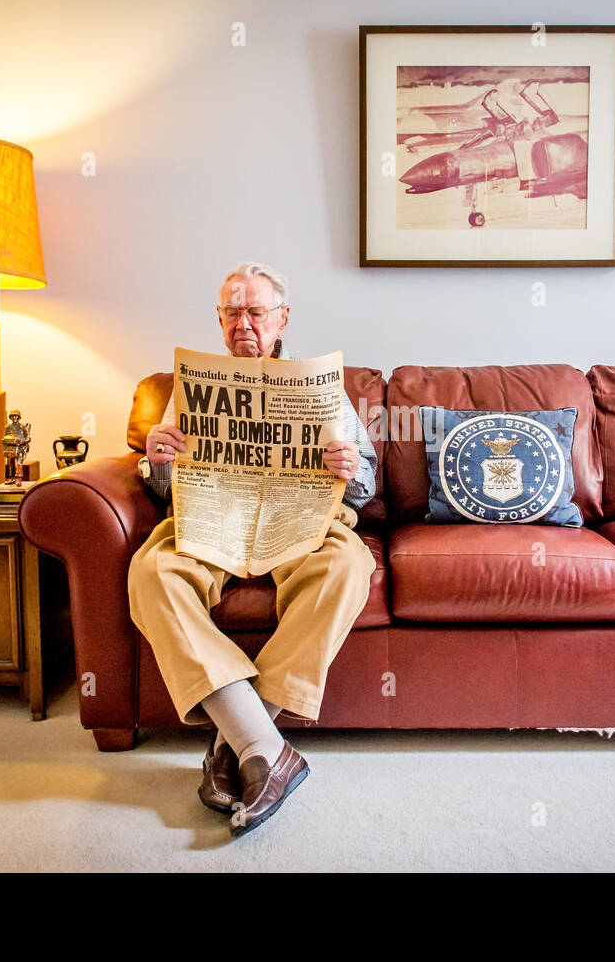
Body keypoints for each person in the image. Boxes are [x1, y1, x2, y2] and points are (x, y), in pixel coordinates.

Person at [128, 262, 377, 838]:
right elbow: (162, 487)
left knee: (346, 566)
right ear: (219, 322)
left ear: (281, 318)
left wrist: (350, 468)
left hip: (303, 518)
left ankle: (232, 742)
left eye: (256, 312)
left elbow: (368, 483)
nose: (244, 323)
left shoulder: (321, 386)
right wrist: (157, 461)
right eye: (232, 312)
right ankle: (265, 749)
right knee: (151, 573)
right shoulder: (188, 389)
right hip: (211, 518)